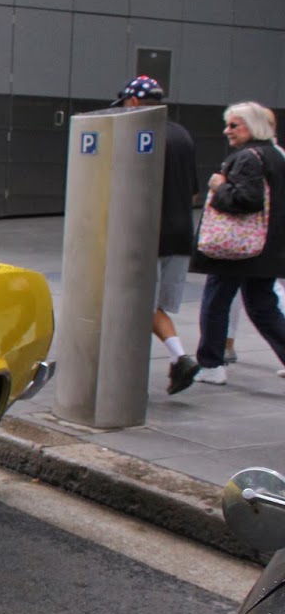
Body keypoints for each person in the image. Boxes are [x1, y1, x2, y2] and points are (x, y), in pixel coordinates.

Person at [111, 76, 201, 393]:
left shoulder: (138, 131)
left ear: (133, 102)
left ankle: (147, 366)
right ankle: (179, 358)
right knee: (153, 306)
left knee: (140, 305)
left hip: (147, 234)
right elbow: (193, 193)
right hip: (181, 234)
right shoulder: (182, 134)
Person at [189, 100, 285, 385]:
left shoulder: (246, 158)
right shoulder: (276, 156)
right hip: (266, 247)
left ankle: (211, 364)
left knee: (216, 301)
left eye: (234, 125)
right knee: (262, 305)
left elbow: (246, 200)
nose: (226, 131)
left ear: (251, 126)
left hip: (235, 248)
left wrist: (219, 187)